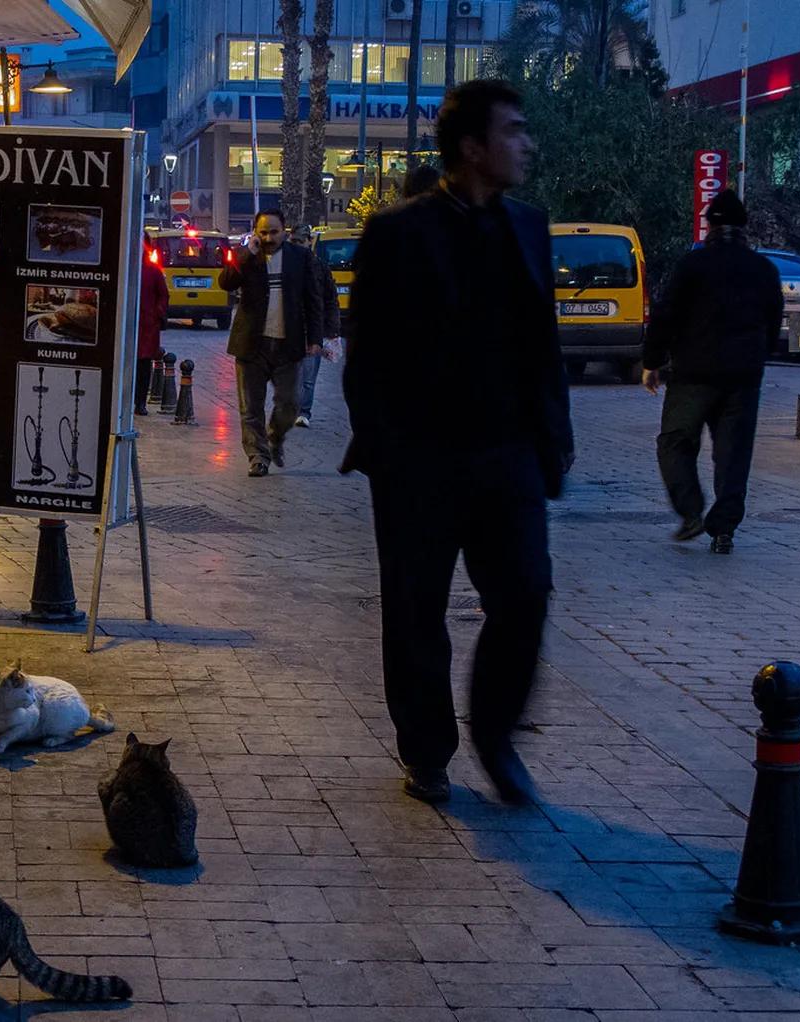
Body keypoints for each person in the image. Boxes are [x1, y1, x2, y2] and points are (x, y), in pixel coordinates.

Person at [342, 79, 573, 806]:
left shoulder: (529, 228)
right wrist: (387, 449)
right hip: (420, 461)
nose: (527, 143)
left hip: (508, 457)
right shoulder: (397, 233)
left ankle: (496, 735)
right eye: (513, 130)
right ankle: (428, 750)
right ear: (473, 147)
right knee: (416, 611)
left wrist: (552, 446)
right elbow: (366, 356)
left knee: (526, 591)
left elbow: (545, 347)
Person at [642, 189, 782, 555]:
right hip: (742, 379)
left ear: (710, 226)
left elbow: (666, 313)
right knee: (733, 455)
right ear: (744, 227)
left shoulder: (694, 265)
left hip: (693, 375)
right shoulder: (763, 270)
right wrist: (756, 359)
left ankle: (690, 512)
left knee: (674, 442)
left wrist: (652, 361)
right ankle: (724, 530)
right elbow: (773, 323)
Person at [219, 209, 323, 475]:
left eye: (273, 232)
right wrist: (246, 255)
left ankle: (275, 437)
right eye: (263, 232)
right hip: (251, 345)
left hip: (288, 346)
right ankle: (258, 456)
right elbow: (226, 283)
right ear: (255, 232)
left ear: (284, 231)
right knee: (250, 408)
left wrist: (315, 338)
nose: (268, 237)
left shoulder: (300, 258)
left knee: (290, 404)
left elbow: (313, 300)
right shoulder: (248, 258)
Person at [288, 224, 341, 428]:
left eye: (301, 242)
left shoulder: (320, 267)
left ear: (309, 241)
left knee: (308, 377)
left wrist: (332, 330)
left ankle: (303, 412)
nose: (298, 246)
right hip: (291, 331)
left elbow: (330, 300)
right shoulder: (286, 266)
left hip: (312, 331)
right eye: (294, 242)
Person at [136, 236, 168, 415]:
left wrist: (157, 312)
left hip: (147, 326)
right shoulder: (125, 268)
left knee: (143, 366)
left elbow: (163, 295)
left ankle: (140, 402)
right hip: (128, 326)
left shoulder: (153, 271)